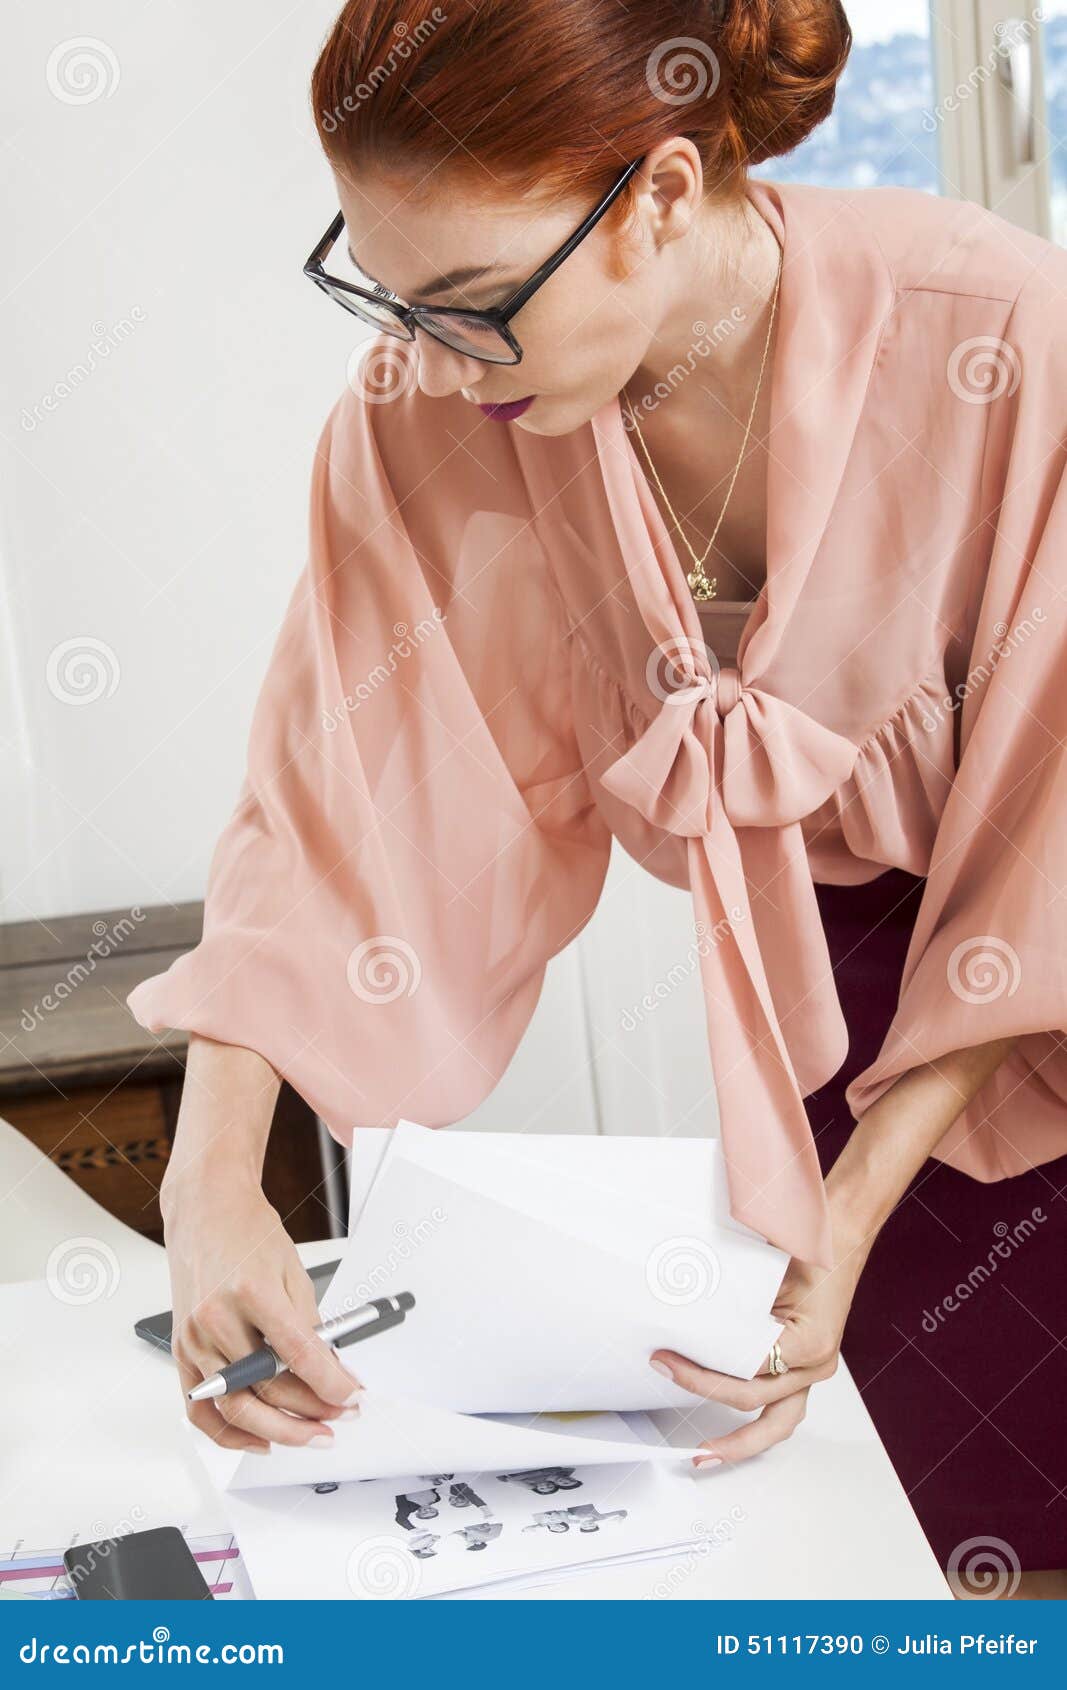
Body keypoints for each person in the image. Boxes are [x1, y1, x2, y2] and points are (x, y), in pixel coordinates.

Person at [128, 0, 1067, 1589]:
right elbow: (332, 797)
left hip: (1027, 997)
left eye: (478, 305)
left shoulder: (1003, 330)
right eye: (389, 293)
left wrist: (854, 1208)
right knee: (913, 1546)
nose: (428, 358)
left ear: (664, 193)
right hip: (829, 1014)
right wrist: (209, 1175)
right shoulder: (433, 410)